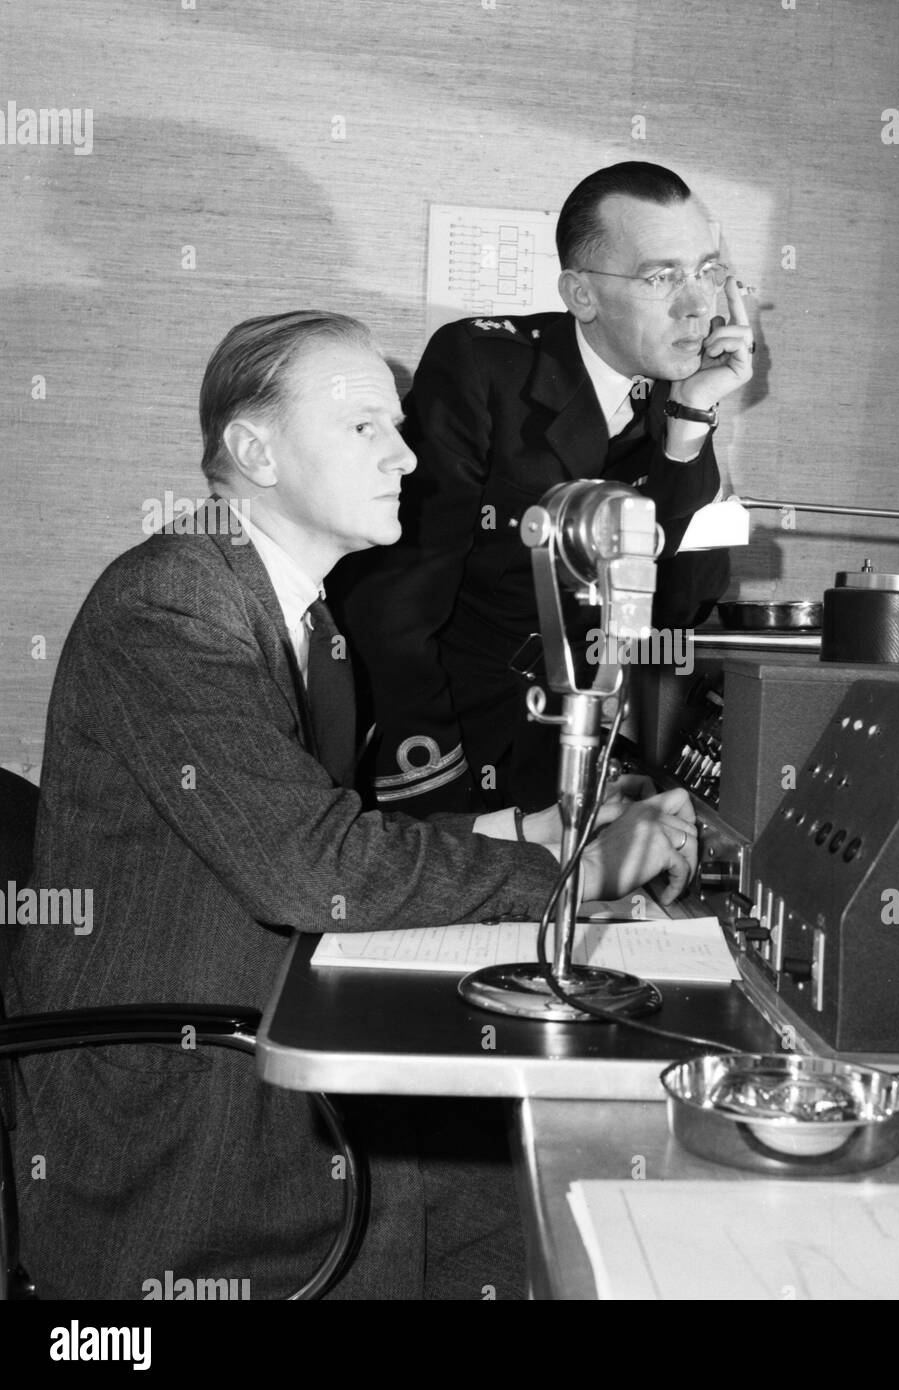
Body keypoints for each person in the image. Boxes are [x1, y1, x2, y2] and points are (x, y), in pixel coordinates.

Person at [6, 310, 699, 1300]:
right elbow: (313, 867)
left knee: (558, 1195)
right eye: (364, 426)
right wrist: (578, 872)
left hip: (273, 1025)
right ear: (256, 450)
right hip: (189, 1110)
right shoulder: (170, 607)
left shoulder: (309, 621)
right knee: (549, 1203)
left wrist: (538, 828)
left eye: (401, 425)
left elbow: (339, 833)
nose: (408, 456)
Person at [328, 161, 755, 815]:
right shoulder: (484, 366)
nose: (697, 305)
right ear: (582, 296)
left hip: (581, 733)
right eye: (661, 277)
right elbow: (398, 600)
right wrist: (430, 778)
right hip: (452, 726)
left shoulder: (671, 396)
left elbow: (677, 608)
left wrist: (693, 415)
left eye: (706, 271)